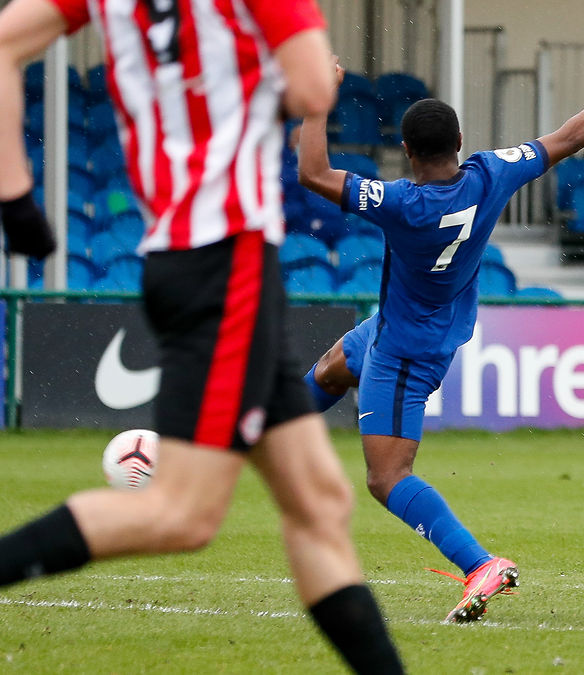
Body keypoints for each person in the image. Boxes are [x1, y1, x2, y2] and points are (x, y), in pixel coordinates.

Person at [0, 1, 404, 671]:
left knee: (319, 503)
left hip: (188, 258)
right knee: (182, 514)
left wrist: (14, 194)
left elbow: (5, 45)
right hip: (228, 261)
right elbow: (311, 86)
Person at [297, 52, 584, 622]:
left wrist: (317, 100)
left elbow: (313, 172)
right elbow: (568, 138)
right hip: (410, 328)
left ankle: (479, 564)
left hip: (405, 350)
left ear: (406, 151)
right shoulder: (490, 174)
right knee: (333, 366)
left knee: (387, 478)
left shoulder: (400, 203)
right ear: (460, 141)